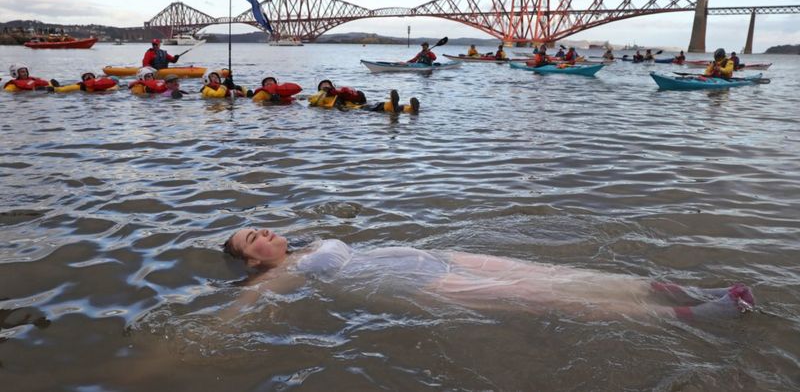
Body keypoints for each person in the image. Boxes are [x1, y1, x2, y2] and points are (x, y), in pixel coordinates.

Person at [222, 228, 756, 323]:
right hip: (421, 283)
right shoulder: (278, 275)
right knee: (545, 298)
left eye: (261, 228)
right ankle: (689, 317)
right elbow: (244, 308)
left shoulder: (313, 243)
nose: (265, 233)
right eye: (253, 240)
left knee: (557, 273)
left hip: (438, 258)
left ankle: (676, 290)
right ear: (253, 262)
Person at [54, 71, 118, 93]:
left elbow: (112, 88)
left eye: (90, 76)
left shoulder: (102, 84)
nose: (88, 77)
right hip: (83, 89)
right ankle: (58, 87)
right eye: (86, 76)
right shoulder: (80, 84)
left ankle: (56, 88)